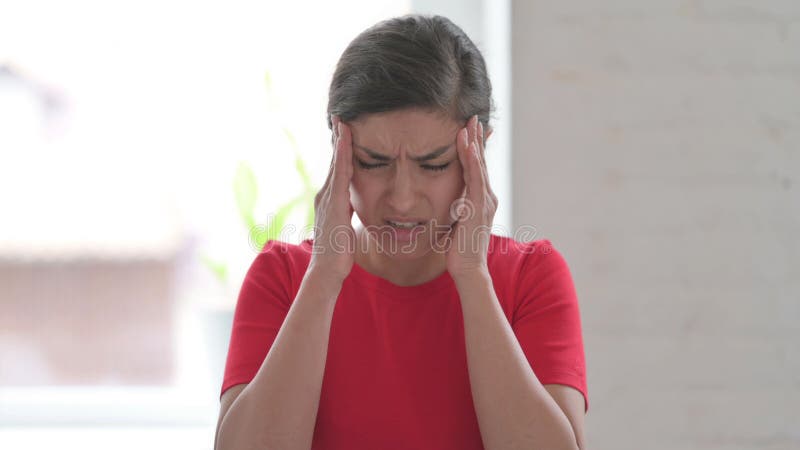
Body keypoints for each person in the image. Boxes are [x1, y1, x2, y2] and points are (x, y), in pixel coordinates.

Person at [214, 14, 588, 450]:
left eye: (434, 165)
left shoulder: (530, 277)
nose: (403, 199)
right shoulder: (283, 277)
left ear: (478, 152)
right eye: (373, 163)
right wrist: (324, 277)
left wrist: (472, 276)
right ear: (338, 150)